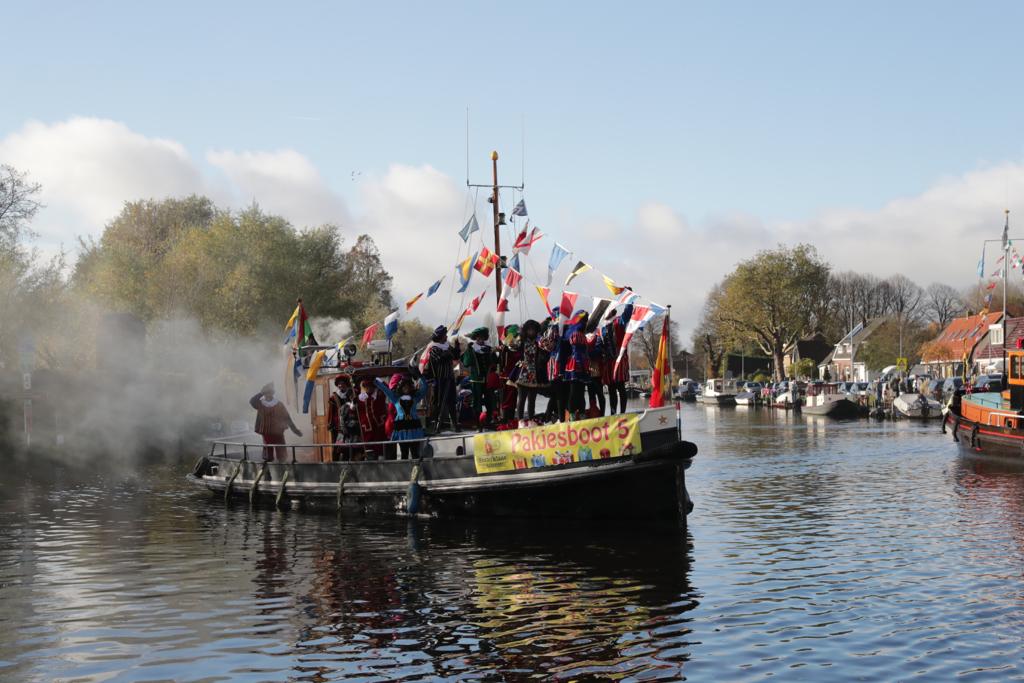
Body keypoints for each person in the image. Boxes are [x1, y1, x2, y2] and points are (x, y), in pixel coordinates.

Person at [375, 375, 429, 459]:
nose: (406, 388)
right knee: (404, 453)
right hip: (402, 429)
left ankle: (417, 468)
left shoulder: (415, 398)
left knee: (415, 453)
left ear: (411, 387)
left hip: (413, 428)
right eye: (404, 386)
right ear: (401, 387)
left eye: (408, 386)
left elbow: (425, 388)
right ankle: (405, 470)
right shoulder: (395, 398)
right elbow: (385, 390)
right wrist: (377, 381)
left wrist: (421, 376)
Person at [420, 326, 460, 432]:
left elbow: (455, 357)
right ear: (441, 337)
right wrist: (448, 354)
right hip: (439, 380)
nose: (447, 336)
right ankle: (435, 425)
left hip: (450, 379)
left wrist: (456, 348)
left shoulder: (447, 346)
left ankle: (455, 425)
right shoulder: (433, 348)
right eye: (445, 335)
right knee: (438, 403)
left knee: (452, 402)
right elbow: (439, 359)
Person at [249, 382, 302, 462]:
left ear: (273, 393)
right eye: (266, 393)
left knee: (282, 454)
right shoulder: (260, 404)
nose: (268, 394)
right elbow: (252, 401)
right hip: (266, 432)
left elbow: (287, 418)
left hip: (278, 432)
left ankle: (283, 467)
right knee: (268, 455)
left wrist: (295, 430)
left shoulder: (279, 404)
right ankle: (268, 469)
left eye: (270, 392)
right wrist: (261, 393)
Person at [463, 327, 497, 429]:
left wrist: (492, 352)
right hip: (476, 380)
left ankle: (488, 421)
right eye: (479, 338)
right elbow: (466, 363)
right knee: (477, 403)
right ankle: (478, 425)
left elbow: (496, 361)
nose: (481, 340)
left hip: (487, 380)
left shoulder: (488, 348)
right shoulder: (472, 349)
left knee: (490, 401)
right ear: (476, 339)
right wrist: (469, 350)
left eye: (482, 338)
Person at [515, 319, 545, 426]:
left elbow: (541, 356)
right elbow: (515, 353)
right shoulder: (521, 341)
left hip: (534, 373)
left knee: (532, 399)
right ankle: (521, 420)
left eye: (533, 330)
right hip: (523, 372)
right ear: (526, 330)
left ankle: (532, 419)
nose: (531, 332)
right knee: (521, 398)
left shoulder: (538, 343)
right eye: (529, 330)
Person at [605, 303, 633, 414]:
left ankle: (622, 413)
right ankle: (613, 414)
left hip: (619, 358)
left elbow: (627, 314)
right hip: (608, 361)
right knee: (611, 388)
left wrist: (629, 301)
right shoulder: (603, 326)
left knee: (620, 387)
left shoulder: (619, 320)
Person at [563, 311, 591, 420]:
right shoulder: (572, 332)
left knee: (581, 391)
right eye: (585, 320)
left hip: (583, 364)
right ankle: (572, 414)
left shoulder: (582, 333)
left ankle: (582, 412)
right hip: (574, 363)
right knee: (574, 391)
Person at [328, 376, 359, 460]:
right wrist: (331, 424)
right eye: (339, 384)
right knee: (340, 448)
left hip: (353, 425)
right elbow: (331, 412)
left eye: (342, 384)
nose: (340, 386)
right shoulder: (334, 397)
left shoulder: (353, 394)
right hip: (340, 426)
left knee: (355, 447)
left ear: (346, 384)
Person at [356, 378, 389, 459]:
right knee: (369, 449)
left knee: (380, 447)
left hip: (379, 425)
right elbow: (353, 409)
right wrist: (353, 404)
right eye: (366, 386)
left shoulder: (380, 394)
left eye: (371, 386)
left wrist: (375, 377)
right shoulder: (360, 398)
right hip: (366, 428)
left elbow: (386, 387)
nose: (369, 388)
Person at [497, 325, 522, 424]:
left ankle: (511, 419)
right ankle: (505, 419)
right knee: (506, 399)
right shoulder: (505, 349)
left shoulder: (520, 348)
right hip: (507, 378)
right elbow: (501, 363)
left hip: (517, 377)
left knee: (514, 399)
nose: (514, 340)